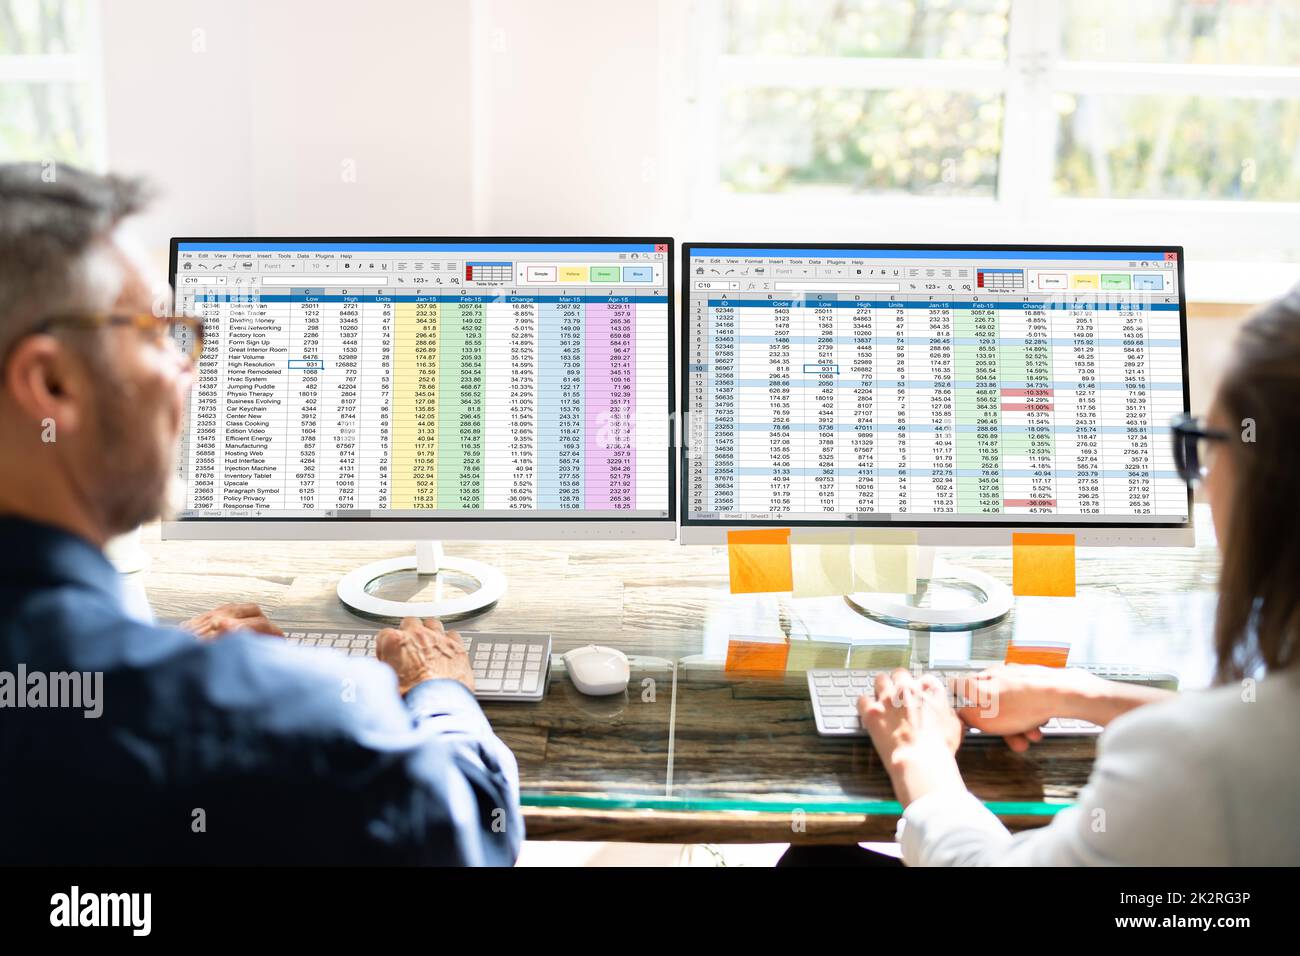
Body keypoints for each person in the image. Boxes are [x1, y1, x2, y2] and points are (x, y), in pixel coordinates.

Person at [0, 162, 521, 864]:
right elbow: (467, 831)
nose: (187, 368)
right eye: (156, 334)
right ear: (51, 382)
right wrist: (442, 693)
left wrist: (162, 668)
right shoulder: (287, 718)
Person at [855, 284, 1300, 865]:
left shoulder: (1196, 766)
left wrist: (922, 757)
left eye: (1206, 445)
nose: (1205, 481)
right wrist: (1078, 693)